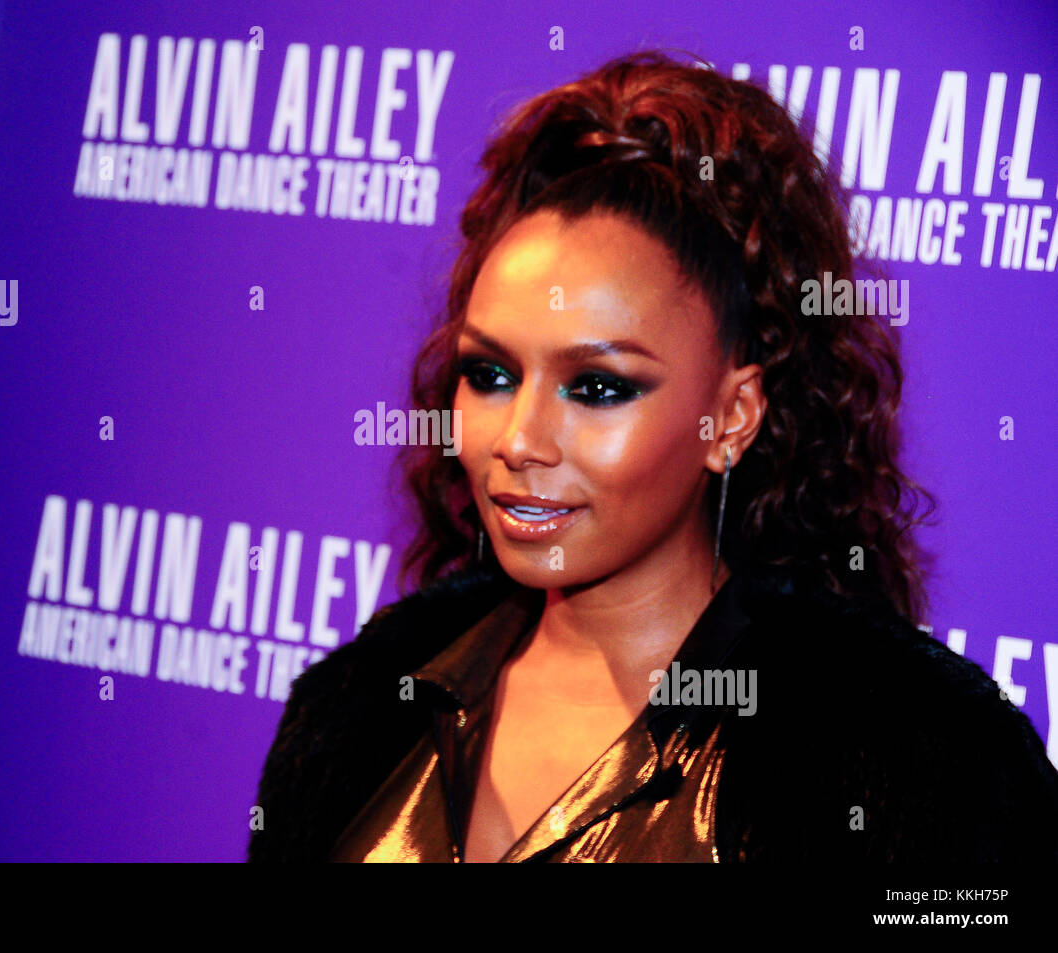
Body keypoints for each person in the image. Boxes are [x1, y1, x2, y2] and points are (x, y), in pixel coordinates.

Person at [247, 50, 1058, 862]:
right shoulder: (361, 709)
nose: (518, 440)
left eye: (598, 388)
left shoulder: (907, 763)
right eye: (489, 374)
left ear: (732, 414)